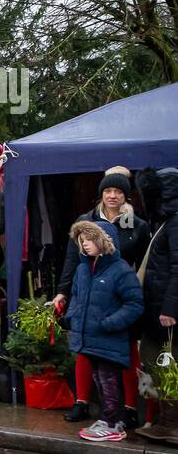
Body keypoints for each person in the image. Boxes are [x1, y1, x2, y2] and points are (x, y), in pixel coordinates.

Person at [55, 168, 151, 426]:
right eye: (108, 191)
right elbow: (72, 259)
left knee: (129, 351)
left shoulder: (138, 225)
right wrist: (63, 291)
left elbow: (145, 263)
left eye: (118, 191)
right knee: (85, 350)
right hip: (90, 292)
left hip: (121, 293)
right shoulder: (86, 220)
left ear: (126, 196)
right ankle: (82, 402)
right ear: (101, 194)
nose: (112, 196)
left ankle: (130, 408)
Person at [65, 221, 145, 442]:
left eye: (89, 239)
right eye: (82, 240)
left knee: (108, 378)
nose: (85, 244)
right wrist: (72, 316)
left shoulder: (120, 270)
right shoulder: (82, 269)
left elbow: (135, 303)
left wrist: (110, 323)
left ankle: (113, 423)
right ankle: (108, 419)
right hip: (87, 336)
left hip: (108, 337)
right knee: (99, 378)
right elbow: (76, 296)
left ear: (103, 241)